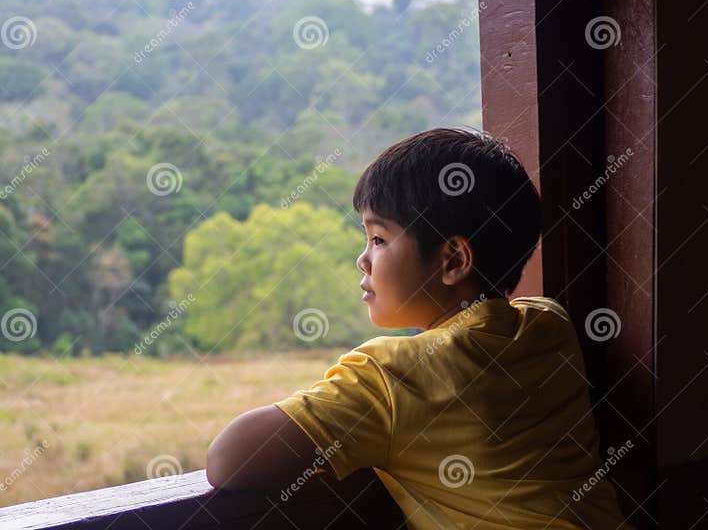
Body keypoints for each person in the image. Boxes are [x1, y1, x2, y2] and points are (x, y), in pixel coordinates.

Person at [206, 127, 632, 529]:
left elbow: (230, 460)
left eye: (378, 239)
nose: (364, 260)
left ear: (453, 261)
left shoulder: (392, 377)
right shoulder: (549, 323)